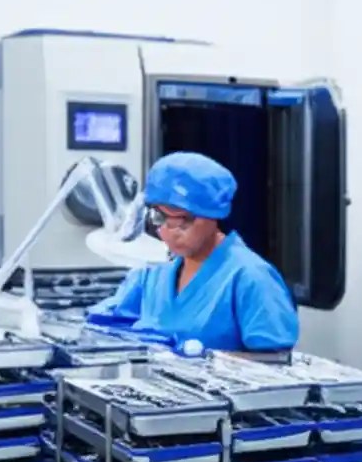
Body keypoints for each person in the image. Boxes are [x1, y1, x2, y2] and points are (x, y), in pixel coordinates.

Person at [87, 151, 299, 352]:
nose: (170, 232)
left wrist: (206, 361)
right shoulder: (153, 272)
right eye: (160, 218)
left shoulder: (251, 277)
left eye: (183, 221)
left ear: (213, 216)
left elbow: (277, 358)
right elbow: (108, 319)